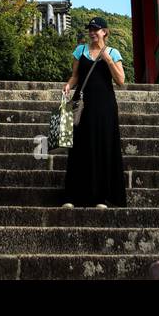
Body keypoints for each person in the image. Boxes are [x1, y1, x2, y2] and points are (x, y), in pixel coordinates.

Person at [61, 17, 127, 210]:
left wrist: (108, 61)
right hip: (82, 106)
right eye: (90, 29)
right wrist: (68, 85)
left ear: (104, 31)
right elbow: (75, 76)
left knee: (102, 147)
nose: (92, 32)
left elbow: (121, 80)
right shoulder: (80, 51)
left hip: (105, 107)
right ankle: (73, 196)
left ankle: (102, 197)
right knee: (79, 147)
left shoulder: (113, 53)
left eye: (96, 29)